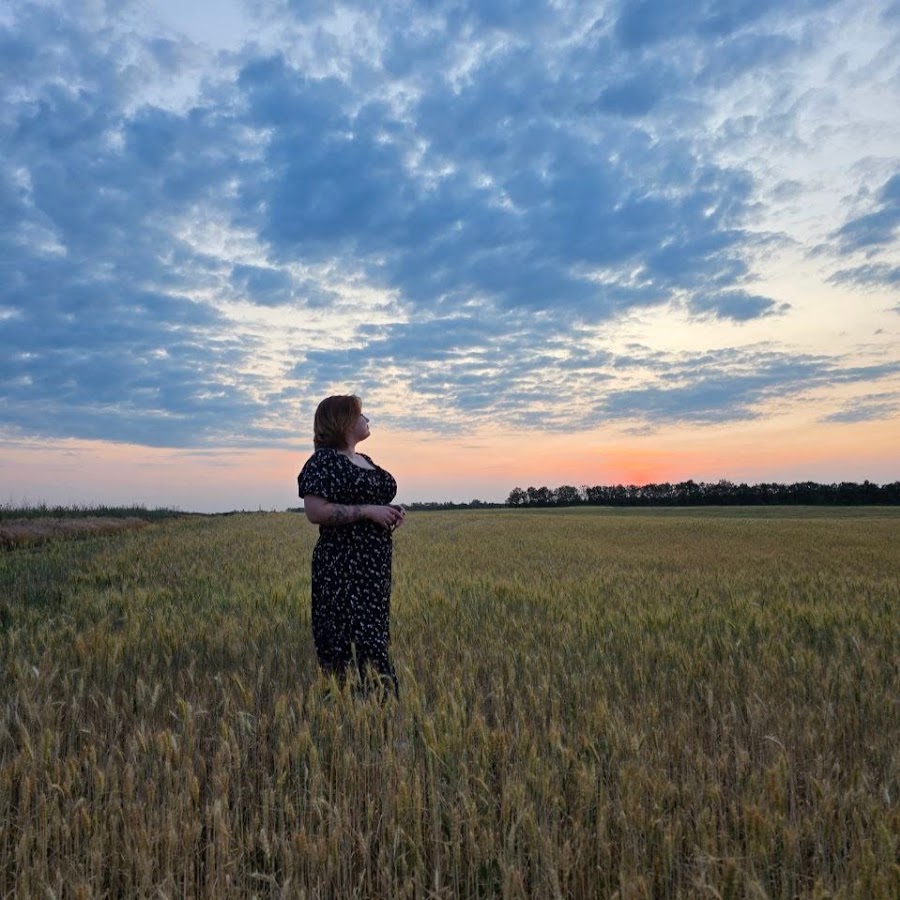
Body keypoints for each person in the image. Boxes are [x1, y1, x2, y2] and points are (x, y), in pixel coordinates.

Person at [297, 395, 405, 696]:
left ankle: (375, 714)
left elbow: (366, 500)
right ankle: (357, 714)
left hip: (374, 569)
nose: (367, 419)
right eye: (360, 414)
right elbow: (315, 511)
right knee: (348, 641)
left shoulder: (364, 460)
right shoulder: (324, 462)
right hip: (342, 569)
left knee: (374, 638)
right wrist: (370, 511)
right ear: (343, 421)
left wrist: (391, 510)